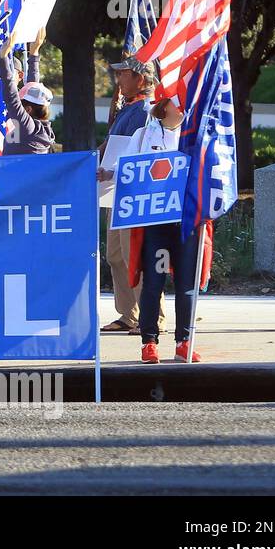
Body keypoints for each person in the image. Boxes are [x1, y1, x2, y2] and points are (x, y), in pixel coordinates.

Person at [124, 96, 205, 363]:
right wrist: (110, 173)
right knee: (154, 283)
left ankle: (184, 341)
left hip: (186, 222)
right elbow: (127, 169)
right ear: (165, 104)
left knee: (186, 284)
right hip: (155, 222)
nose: (183, 104)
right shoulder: (143, 134)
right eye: (177, 98)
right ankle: (149, 342)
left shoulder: (197, 133)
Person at [97, 57, 157, 335]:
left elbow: (142, 153)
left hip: (132, 194)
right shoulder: (128, 109)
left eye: (124, 74)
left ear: (140, 79)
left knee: (136, 256)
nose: (119, 80)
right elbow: (113, 144)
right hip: (115, 192)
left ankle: (151, 316)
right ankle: (128, 314)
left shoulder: (144, 110)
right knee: (116, 255)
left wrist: (113, 172)